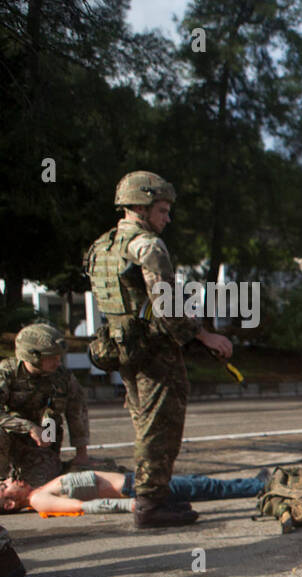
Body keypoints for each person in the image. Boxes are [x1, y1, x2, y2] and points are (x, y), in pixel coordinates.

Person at [83, 171, 233, 529]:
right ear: (140, 206)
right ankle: (150, 505)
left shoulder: (103, 246)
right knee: (161, 427)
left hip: (124, 347)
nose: (167, 218)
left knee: (144, 422)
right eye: (162, 210)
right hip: (153, 350)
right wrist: (204, 336)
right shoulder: (148, 246)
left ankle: (156, 496)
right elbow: (165, 304)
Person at [1, 323, 90, 486]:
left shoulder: (63, 377)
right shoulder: (6, 373)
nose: (58, 362)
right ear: (32, 356)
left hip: (41, 447)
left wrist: (81, 454)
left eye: (59, 357)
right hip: (8, 443)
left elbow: (77, 412)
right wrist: (28, 427)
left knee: (38, 485)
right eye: (52, 358)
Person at [1, 468, 268, 516]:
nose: (10, 479)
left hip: (133, 481)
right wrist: (131, 506)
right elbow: (82, 507)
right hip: (133, 489)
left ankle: (252, 484)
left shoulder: (39, 490)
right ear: (11, 503)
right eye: (4, 486)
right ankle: (258, 486)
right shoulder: (39, 499)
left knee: (197, 483)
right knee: (202, 487)